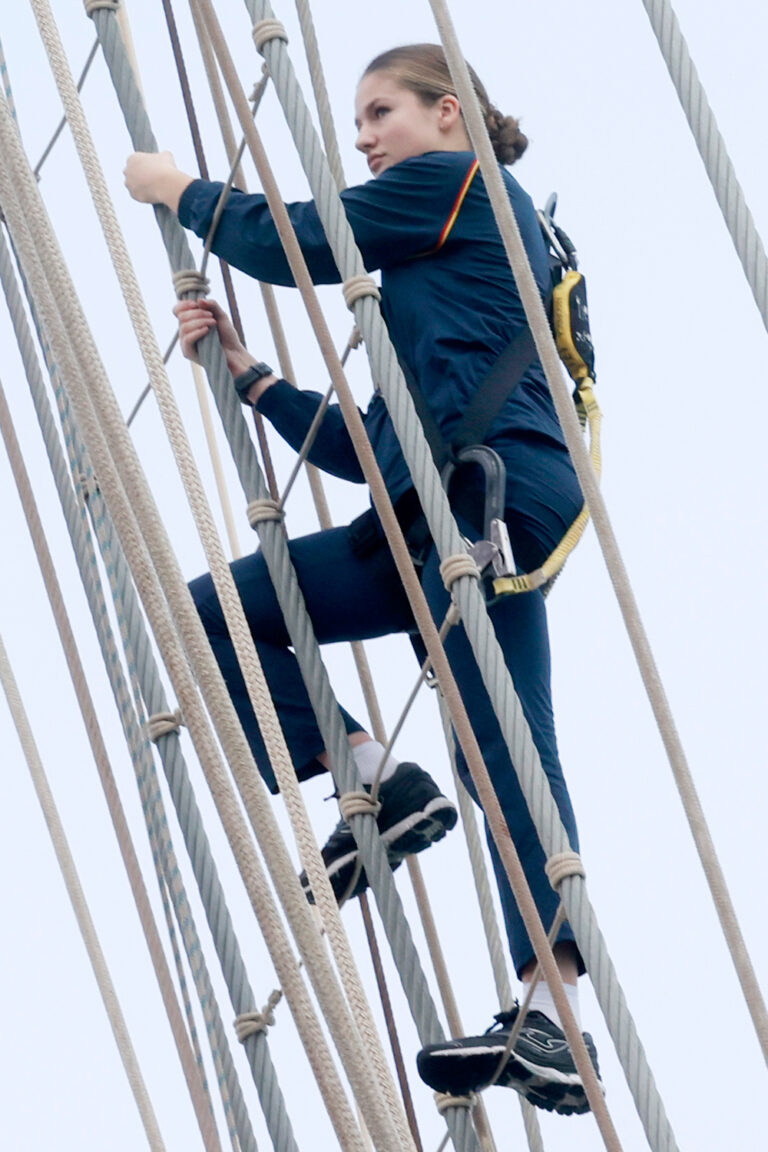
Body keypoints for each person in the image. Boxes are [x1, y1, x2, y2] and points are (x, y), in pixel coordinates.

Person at [125, 43, 600, 1115]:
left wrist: (177, 191)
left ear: (447, 115)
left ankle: (557, 1011)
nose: (363, 134)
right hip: (425, 512)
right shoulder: (434, 287)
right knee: (218, 616)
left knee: (505, 745)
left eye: (381, 111)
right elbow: (371, 448)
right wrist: (251, 379)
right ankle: (374, 780)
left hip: (491, 509)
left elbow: (293, 239)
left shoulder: (465, 184)